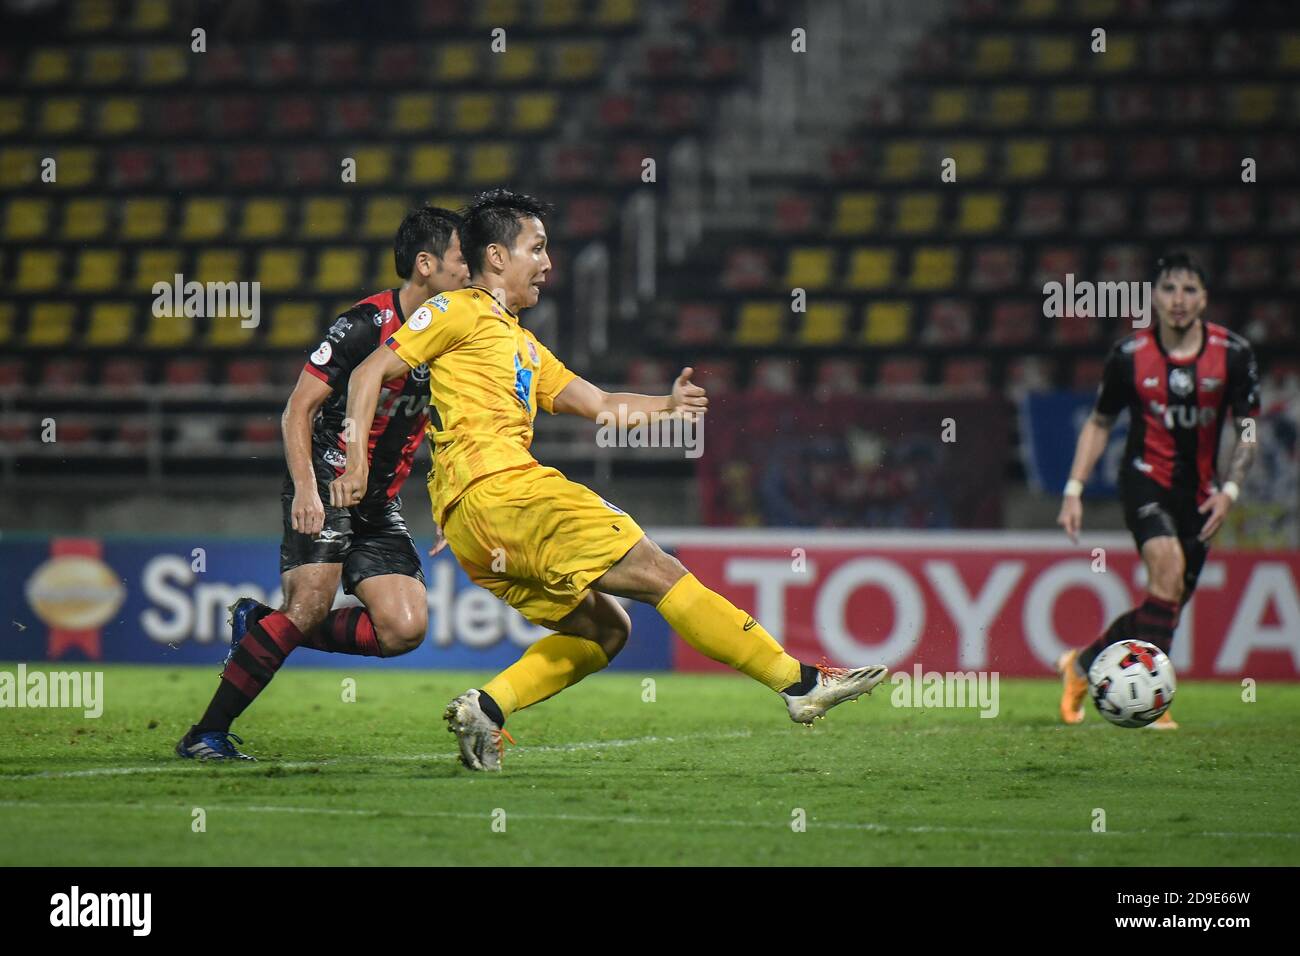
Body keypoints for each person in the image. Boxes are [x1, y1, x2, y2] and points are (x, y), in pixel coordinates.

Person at [335, 188, 888, 771]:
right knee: (659, 571)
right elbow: (368, 373)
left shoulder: (520, 343)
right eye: (537, 248)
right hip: (508, 494)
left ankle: (486, 709)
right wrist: (355, 458)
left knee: (606, 630)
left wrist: (665, 407)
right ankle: (797, 682)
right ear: (496, 258)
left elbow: (597, 403)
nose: (548, 263)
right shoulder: (457, 310)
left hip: (477, 525)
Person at [176, 206, 470, 760]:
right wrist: (306, 490)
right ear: (426, 265)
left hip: (380, 503)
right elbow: (296, 411)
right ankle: (206, 734)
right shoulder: (363, 326)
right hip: (330, 480)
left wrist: (450, 502)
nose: (471, 269)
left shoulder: (453, 337)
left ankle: (261, 628)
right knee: (310, 606)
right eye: (462, 258)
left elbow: (446, 427)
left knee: (405, 629)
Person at [1055, 252, 1261, 729]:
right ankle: (1152, 705)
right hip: (1145, 478)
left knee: (1164, 603)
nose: (1179, 300)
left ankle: (1082, 665)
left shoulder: (1233, 354)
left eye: (1189, 289)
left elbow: (1247, 428)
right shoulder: (1130, 356)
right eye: (1169, 289)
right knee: (1166, 571)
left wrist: (1230, 489)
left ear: (1204, 298)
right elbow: (1100, 421)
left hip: (1204, 494)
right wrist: (1073, 488)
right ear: (1154, 296)